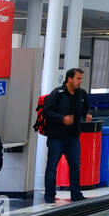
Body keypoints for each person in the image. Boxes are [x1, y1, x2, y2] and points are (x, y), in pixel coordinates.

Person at [42, 67, 93, 204]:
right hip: (56, 137)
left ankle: (76, 194)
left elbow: (87, 107)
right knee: (52, 167)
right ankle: (49, 196)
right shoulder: (57, 93)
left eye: (81, 79)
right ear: (69, 78)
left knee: (75, 166)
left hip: (73, 137)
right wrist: (61, 119)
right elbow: (46, 112)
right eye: (78, 78)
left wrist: (87, 113)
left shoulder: (81, 94)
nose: (80, 81)